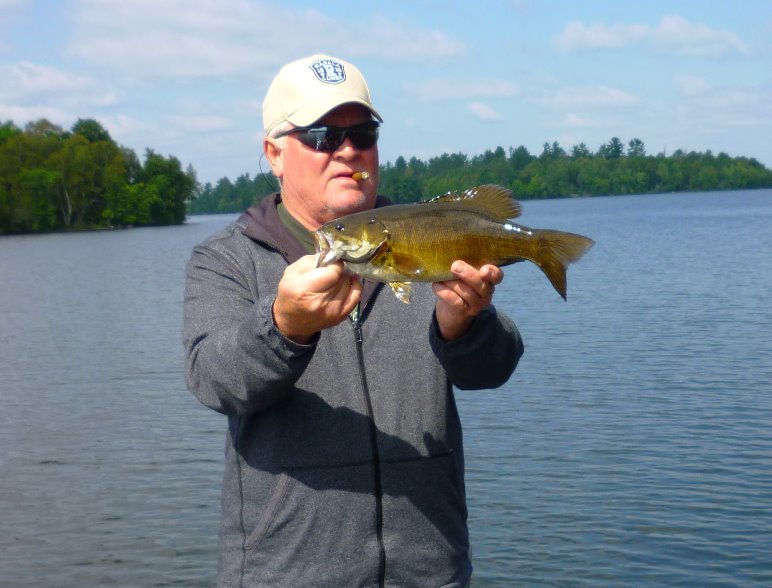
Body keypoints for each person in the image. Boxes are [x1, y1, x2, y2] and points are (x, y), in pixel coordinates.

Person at [183, 54, 524, 587]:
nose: (347, 151)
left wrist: (464, 328)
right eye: (322, 136)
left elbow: (496, 367)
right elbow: (214, 379)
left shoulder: (421, 237)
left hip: (432, 572)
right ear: (274, 153)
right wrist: (283, 326)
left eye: (362, 133)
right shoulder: (227, 259)